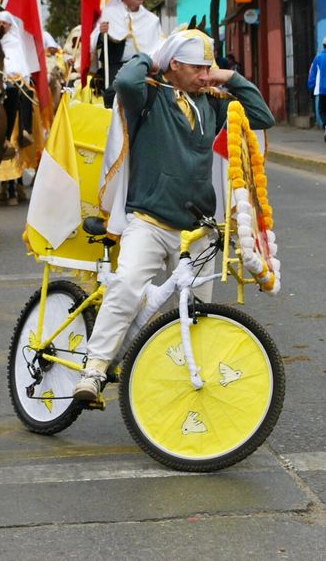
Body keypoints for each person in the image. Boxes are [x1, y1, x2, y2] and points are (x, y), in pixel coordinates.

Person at [72, 29, 275, 403]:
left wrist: (228, 77)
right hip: (148, 220)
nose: (204, 74)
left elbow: (261, 117)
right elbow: (124, 80)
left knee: (197, 311)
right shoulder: (148, 97)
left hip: (198, 230)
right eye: (197, 67)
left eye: (208, 67)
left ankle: (187, 377)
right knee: (127, 286)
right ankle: (94, 368)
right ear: (174, 65)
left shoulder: (213, 104)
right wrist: (152, 57)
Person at [91, 0, 164, 103]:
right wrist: (101, 34)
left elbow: (159, 44)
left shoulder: (152, 19)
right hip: (116, 67)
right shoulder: (110, 14)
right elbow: (93, 41)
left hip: (143, 67)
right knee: (113, 94)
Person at [0, 11, 34, 151]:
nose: (1, 25)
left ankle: (24, 131)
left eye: (4, 23)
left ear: (10, 25)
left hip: (14, 78)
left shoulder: (16, 42)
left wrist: (20, 75)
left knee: (26, 91)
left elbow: (21, 62)